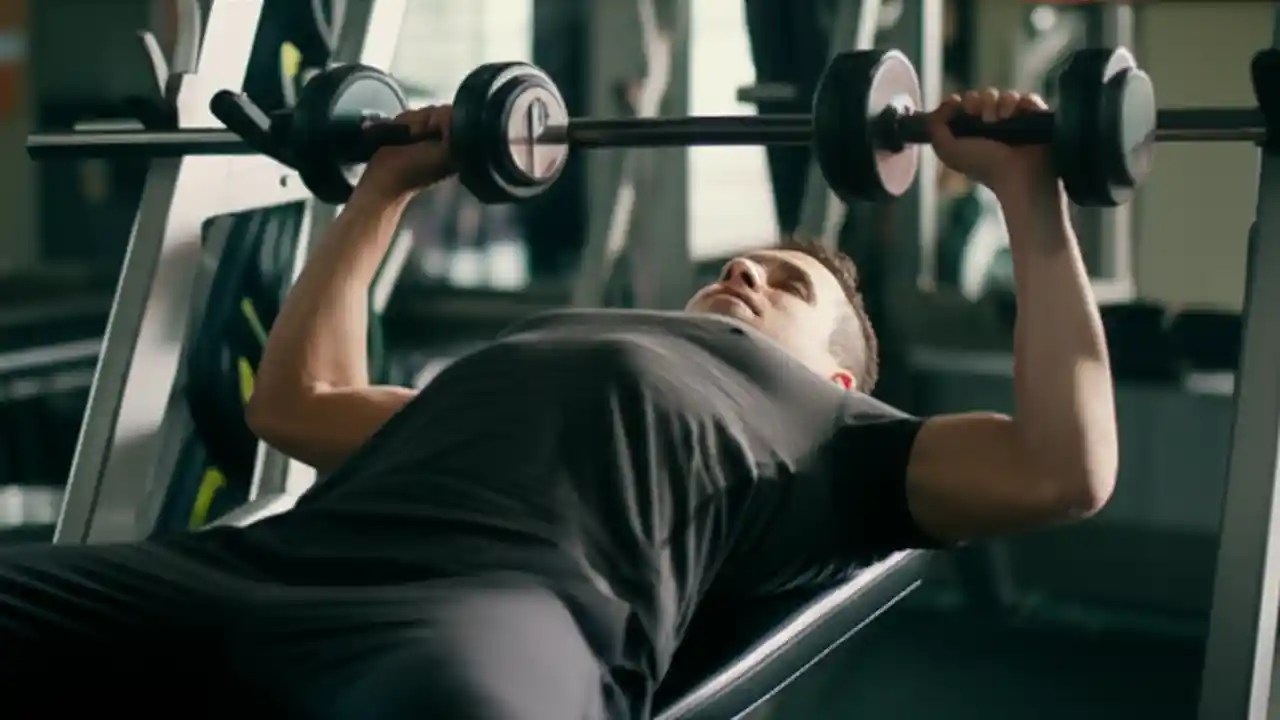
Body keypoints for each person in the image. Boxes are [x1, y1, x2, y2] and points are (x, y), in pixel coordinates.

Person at [0, 89, 1117, 719]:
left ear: (834, 374)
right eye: (745, 262)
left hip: (495, 611)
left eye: (788, 287)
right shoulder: (555, 343)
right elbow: (299, 401)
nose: (748, 274)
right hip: (257, 569)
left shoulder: (833, 433)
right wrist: (384, 188)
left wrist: (1029, 198)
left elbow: (1061, 471)